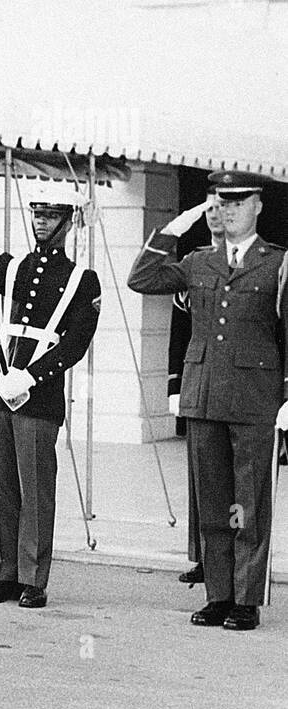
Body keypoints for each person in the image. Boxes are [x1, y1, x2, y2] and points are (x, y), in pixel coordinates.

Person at [128, 171, 288, 631]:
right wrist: (177, 225)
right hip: (203, 396)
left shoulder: (277, 262)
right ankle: (218, 595)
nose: (230, 209)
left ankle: (246, 599)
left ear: (258, 205)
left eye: (240, 201)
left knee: (250, 506)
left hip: (255, 399)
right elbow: (142, 278)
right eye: (223, 201)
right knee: (213, 504)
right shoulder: (198, 261)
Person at [0, 183, 101, 610]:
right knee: (2, 486)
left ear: (69, 221)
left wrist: (31, 377)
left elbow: (74, 345)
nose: (41, 221)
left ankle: (33, 579)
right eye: (37, 213)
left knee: (36, 488)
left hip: (37, 396)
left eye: (51, 214)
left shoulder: (82, 279)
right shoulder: (15, 265)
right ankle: (4, 574)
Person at [165, 190, 226, 585]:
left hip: (236, 386)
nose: (216, 215)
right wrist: (175, 383)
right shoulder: (194, 263)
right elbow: (179, 331)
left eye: (224, 206)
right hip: (198, 382)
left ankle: (230, 561)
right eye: (210, 208)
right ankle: (204, 557)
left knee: (231, 484)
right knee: (200, 479)